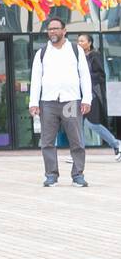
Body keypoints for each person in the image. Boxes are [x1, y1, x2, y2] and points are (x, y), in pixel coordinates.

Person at [30, 19, 94, 187]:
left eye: (56, 29)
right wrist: (33, 102)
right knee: (48, 141)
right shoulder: (42, 53)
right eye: (50, 29)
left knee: (76, 139)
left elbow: (84, 76)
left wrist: (86, 99)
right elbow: (36, 79)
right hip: (48, 103)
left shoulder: (75, 50)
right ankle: (51, 175)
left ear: (64, 31)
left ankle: (78, 175)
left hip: (70, 101)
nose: (52, 32)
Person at [77, 33, 120, 160]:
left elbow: (101, 75)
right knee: (78, 123)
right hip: (80, 94)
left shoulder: (94, 55)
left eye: (82, 41)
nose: (79, 43)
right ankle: (78, 154)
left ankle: (116, 143)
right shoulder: (78, 57)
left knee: (92, 123)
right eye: (78, 41)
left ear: (89, 43)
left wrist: (85, 79)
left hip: (92, 94)